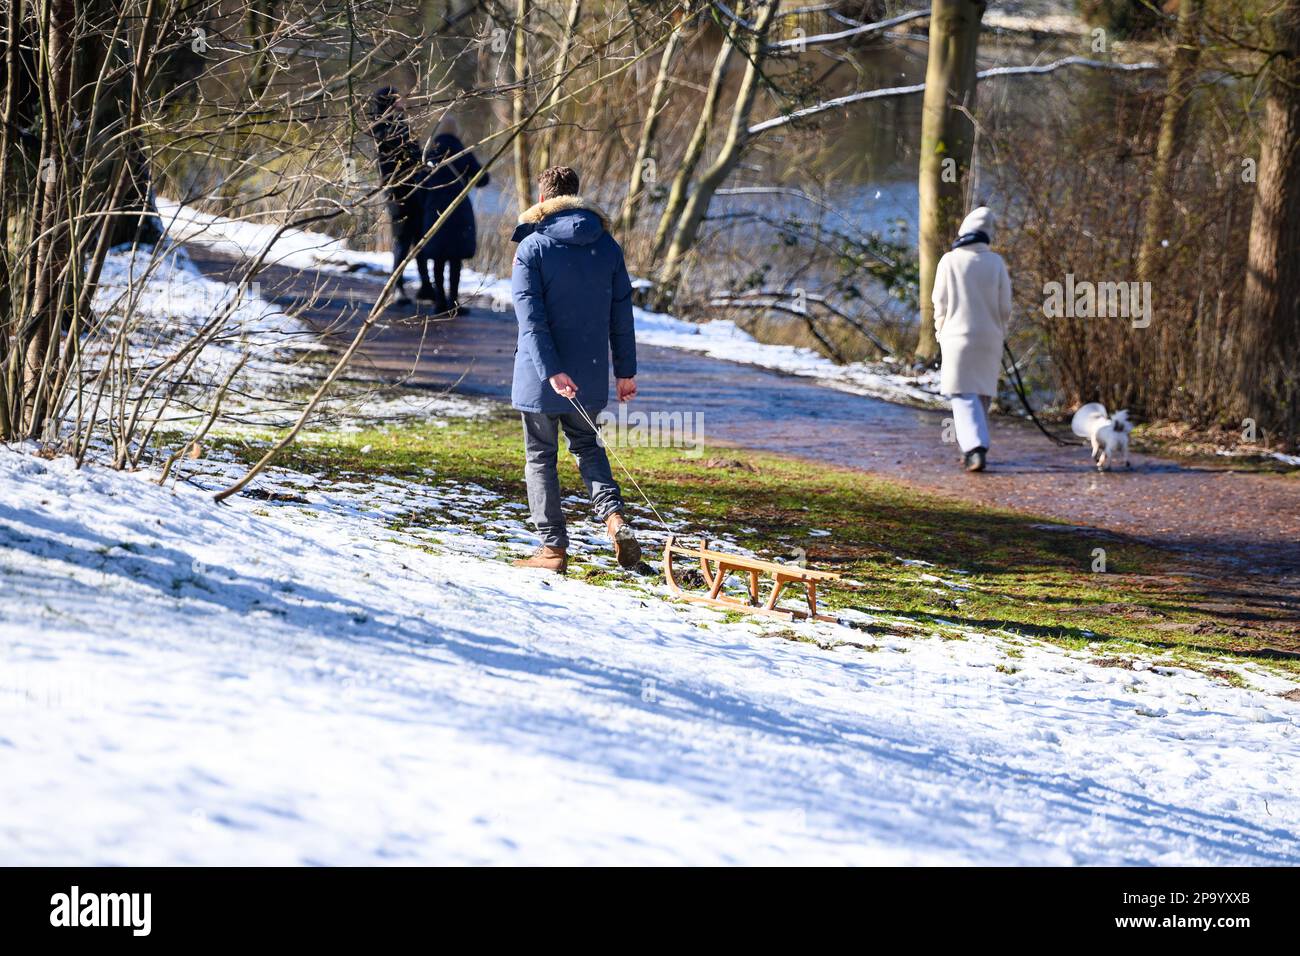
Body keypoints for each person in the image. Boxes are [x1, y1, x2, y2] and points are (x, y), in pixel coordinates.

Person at [509, 165, 641, 574]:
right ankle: (614, 518)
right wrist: (625, 371)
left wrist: (551, 370)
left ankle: (552, 550)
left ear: (543, 200)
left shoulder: (531, 248)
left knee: (540, 457)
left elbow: (531, 320)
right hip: (591, 374)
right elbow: (622, 315)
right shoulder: (608, 247)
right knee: (588, 448)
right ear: (578, 196)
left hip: (540, 378)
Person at [932, 206, 1012, 472]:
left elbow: (939, 302)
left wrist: (939, 330)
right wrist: (1000, 328)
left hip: (956, 337)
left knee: (962, 393)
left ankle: (975, 448)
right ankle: (972, 449)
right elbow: (1005, 307)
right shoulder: (996, 263)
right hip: (990, 337)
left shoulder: (949, 261)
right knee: (981, 394)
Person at [366, 87, 435, 305]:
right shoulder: (383, 128)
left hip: (414, 190)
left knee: (419, 239)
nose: (402, 103)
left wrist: (426, 162)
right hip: (397, 193)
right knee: (403, 240)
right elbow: (401, 153)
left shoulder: (400, 123)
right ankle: (397, 288)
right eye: (396, 100)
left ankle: (425, 285)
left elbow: (413, 153)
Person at [421, 118, 489, 315]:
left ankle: (439, 301)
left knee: (438, 258)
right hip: (459, 211)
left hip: (434, 211)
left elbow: (419, 185)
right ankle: (453, 301)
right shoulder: (463, 153)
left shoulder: (429, 154)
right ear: (456, 131)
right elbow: (483, 180)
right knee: (455, 259)